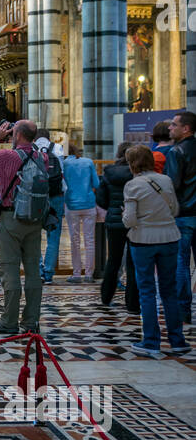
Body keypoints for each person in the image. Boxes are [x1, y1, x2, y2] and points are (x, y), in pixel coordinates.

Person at [0, 119, 49, 333]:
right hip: (35, 219)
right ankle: (31, 321)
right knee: (33, 269)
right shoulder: (42, 156)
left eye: (13, 132)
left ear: (17, 135)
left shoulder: (8, 156)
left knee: (9, 269)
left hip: (11, 218)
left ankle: (9, 320)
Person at [122, 144, 189, 358]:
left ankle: (151, 341)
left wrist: (125, 214)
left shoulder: (133, 185)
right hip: (169, 238)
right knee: (169, 291)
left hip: (143, 241)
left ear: (132, 163)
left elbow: (130, 220)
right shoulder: (166, 180)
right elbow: (175, 209)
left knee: (147, 291)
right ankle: (178, 341)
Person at [95, 143, 140, 314]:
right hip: (135, 220)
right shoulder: (136, 174)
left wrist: (113, 209)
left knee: (113, 259)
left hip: (114, 220)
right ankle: (132, 303)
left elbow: (101, 198)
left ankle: (106, 297)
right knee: (133, 261)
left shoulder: (109, 172)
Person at [163, 110, 196, 325]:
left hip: (184, 214)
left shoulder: (176, 152)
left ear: (186, 129)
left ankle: (183, 310)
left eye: (174, 125)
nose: (169, 128)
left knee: (181, 263)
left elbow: (171, 185)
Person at [62, 143, 99, 282]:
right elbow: (96, 184)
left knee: (74, 240)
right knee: (90, 240)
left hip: (71, 205)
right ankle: (89, 274)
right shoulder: (88, 162)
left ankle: (77, 273)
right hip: (89, 203)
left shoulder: (64, 164)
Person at [35, 130, 65, 283]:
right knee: (53, 236)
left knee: (33, 235)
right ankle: (48, 274)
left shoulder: (31, 149)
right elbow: (62, 173)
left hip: (35, 197)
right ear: (49, 138)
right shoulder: (58, 148)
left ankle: (38, 271)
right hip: (56, 195)